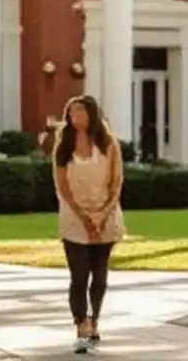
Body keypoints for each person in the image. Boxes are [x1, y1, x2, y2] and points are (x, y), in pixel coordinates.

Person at [52, 95, 125, 354]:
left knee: (100, 273)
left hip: (105, 214)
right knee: (79, 274)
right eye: (71, 113)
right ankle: (81, 323)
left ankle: (95, 320)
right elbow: (62, 185)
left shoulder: (108, 144)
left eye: (80, 112)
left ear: (92, 114)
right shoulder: (64, 144)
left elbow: (116, 182)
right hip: (74, 216)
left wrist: (103, 213)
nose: (75, 117)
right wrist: (84, 216)